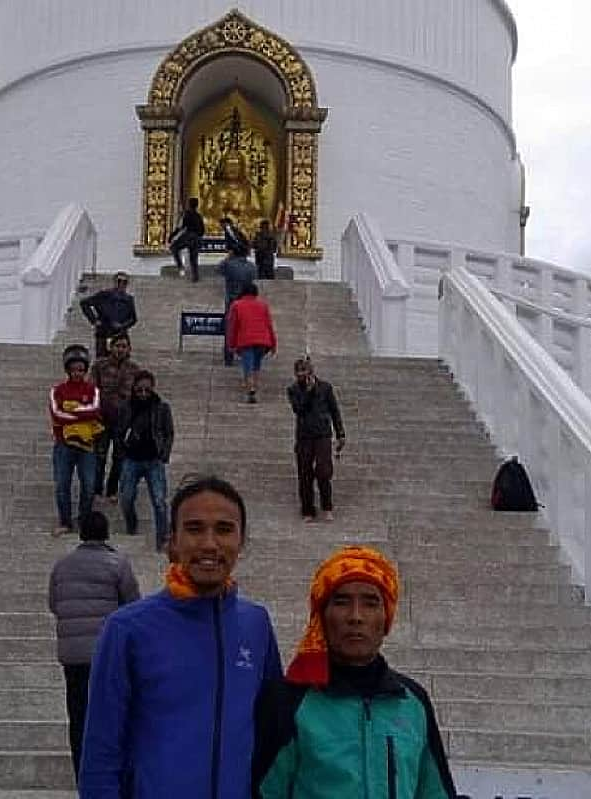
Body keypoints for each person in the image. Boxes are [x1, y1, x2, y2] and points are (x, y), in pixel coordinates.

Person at [79, 476, 282, 798]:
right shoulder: (128, 629)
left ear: (242, 541)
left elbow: (271, 732)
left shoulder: (255, 624)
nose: (210, 544)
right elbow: (101, 750)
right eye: (195, 528)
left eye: (224, 529)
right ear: (172, 541)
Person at [253, 546, 459, 799]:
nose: (356, 617)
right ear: (322, 616)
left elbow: (434, 792)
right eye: (341, 602)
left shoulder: (412, 701)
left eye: (371, 603)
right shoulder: (288, 701)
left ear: (387, 619)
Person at [47, 511, 140, 784]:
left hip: (73, 655)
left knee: (78, 717)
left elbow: (55, 604)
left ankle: (83, 776)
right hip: (106, 654)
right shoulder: (117, 564)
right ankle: (110, 776)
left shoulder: (62, 565)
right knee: (110, 715)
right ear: (106, 533)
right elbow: (133, 607)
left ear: (82, 533)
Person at [114, 370, 174, 550]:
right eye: (139, 390)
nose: (143, 394)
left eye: (147, 390)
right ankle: (131, 525)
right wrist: (122, 448)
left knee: (159, 501)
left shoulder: (161, 407)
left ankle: (162, 539)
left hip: (153, 459)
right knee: (126, 498)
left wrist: (164, 454)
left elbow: (169, 432)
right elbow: (118, 431)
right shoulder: (126, 407)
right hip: (132, 458)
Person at [49, 344, 102, 536]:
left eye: (81, 370)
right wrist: (81, 412)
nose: (77, 373)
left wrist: (71, 410)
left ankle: (84, 520)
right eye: (74, 369)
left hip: (87, 445)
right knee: (62, 484)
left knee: (89, 485)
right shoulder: (57, 390)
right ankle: (65, 521)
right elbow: (57, 415)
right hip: (64, 444)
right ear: (67, 370)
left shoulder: (93, 390)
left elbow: (95, 411)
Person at [287, 359, 346, 523]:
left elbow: (335, 411)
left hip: (322, 434)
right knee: (305, 473)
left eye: (305, 371)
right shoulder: (293, 390)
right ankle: (307, 510)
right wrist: (309, 392)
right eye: (299, 372)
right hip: (304, 436)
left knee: (323, 471)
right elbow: (299, 409)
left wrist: (340, 433)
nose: (302, 375)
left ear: (311, 371)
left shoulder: (326, 388)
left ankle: (327, 507)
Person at [89, 333, 141, 502]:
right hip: (102, 417)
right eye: (117, 346)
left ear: (129, 349)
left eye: (124, 346)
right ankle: (96, 489)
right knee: (100, 455)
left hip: (123, 419)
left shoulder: (135, 370)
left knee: (119, 457)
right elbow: (92, 389)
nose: (120, 349)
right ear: (111, 347)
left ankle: (112, 490)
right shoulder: (100, 366)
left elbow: (138, 395)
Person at [227, 282, 277, 404]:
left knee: (247, 366)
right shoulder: (263, 305)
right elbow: (269, 325)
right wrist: (273, 344)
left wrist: (231, 344)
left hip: (245, 340)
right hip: (263, 341)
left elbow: (232, 327)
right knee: (256, 365)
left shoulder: (236, 305)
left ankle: (251, 390)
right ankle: (254, 386)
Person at [218, 225, 256, 367]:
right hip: (247, 300)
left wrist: (229, 257)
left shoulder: (229, 264)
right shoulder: (251, 267)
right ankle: (245, 353)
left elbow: (219, 269)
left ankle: (229, 356)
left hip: (232, 300)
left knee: (230, 328)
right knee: (245, 327)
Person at [80, 271, 137, 357]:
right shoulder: (104, 295)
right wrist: (94, 320)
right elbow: (84, 303)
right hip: (104, 332)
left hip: (120, 334)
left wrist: (122, 325)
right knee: (102, 359)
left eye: (124, 282)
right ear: (115, 282)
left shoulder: (128, 299)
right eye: (119, 281)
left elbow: (133, 318)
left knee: (122, 359)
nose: (121, 284)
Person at [170, 197, 206, 282]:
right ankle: (195, 276)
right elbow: (202, 230)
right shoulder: (199, 216)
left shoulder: (186, 214)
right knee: (193, 258)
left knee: (174, 248)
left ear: (189, 205)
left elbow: (181, 227)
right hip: (197, 238)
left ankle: (180, 266)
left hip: (189, 236)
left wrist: (172, 235)